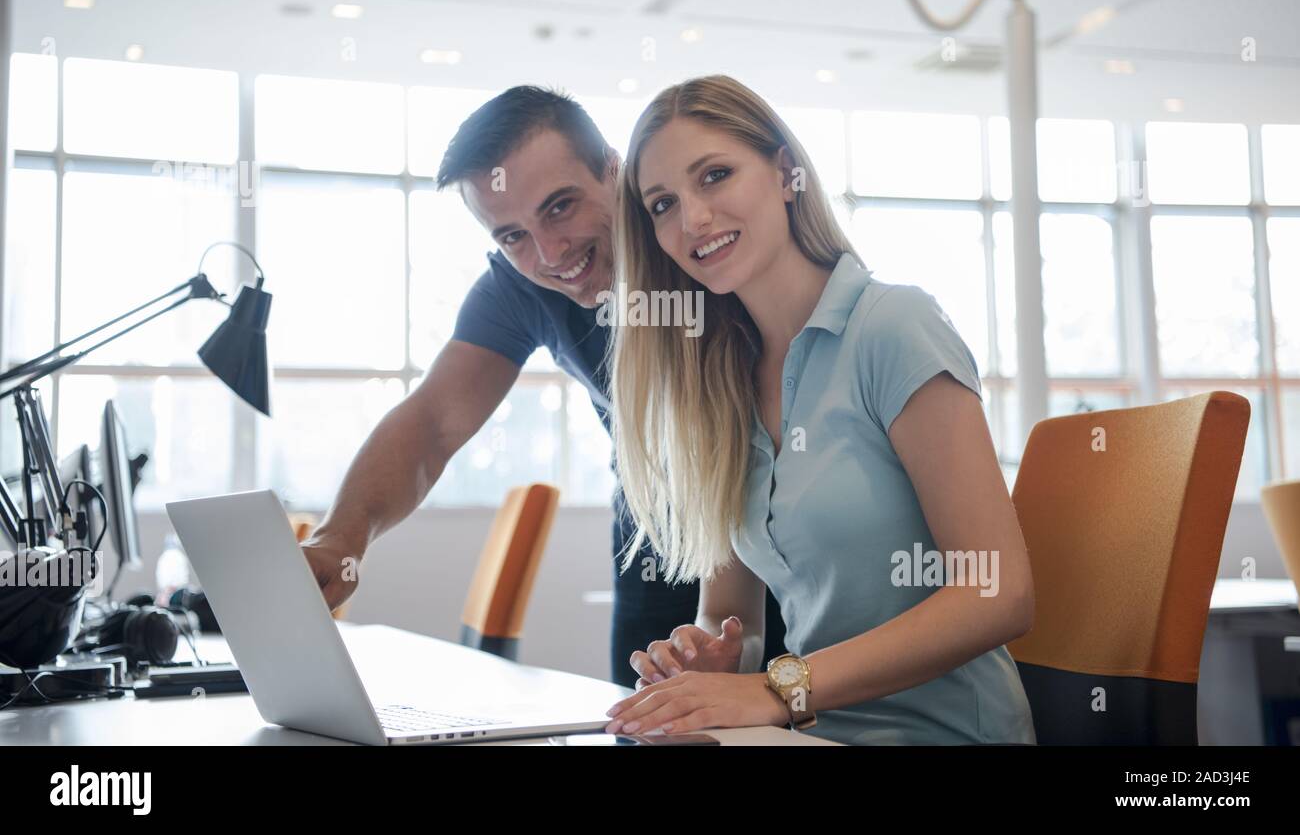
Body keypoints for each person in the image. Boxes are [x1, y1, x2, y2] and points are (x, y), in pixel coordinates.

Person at [298, 85, 788, 688]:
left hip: (783, 525)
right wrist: (338, 539)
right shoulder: (517, 286)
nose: (551, 253)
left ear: (615, 169)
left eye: (560, 206)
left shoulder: (704, 241)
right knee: (646, 723)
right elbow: (433, 422)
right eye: (512, 235)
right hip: (657, 528)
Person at [601, 74, 1037, 744]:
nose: (691, 219)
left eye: (714, 175)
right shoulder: (721, 388)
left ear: (785, 173)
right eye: (662, 203)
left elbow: (999, 592)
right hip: (806, 734)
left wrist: (779, 688)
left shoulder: (894, 326)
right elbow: (730, 613)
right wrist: (716, 661)